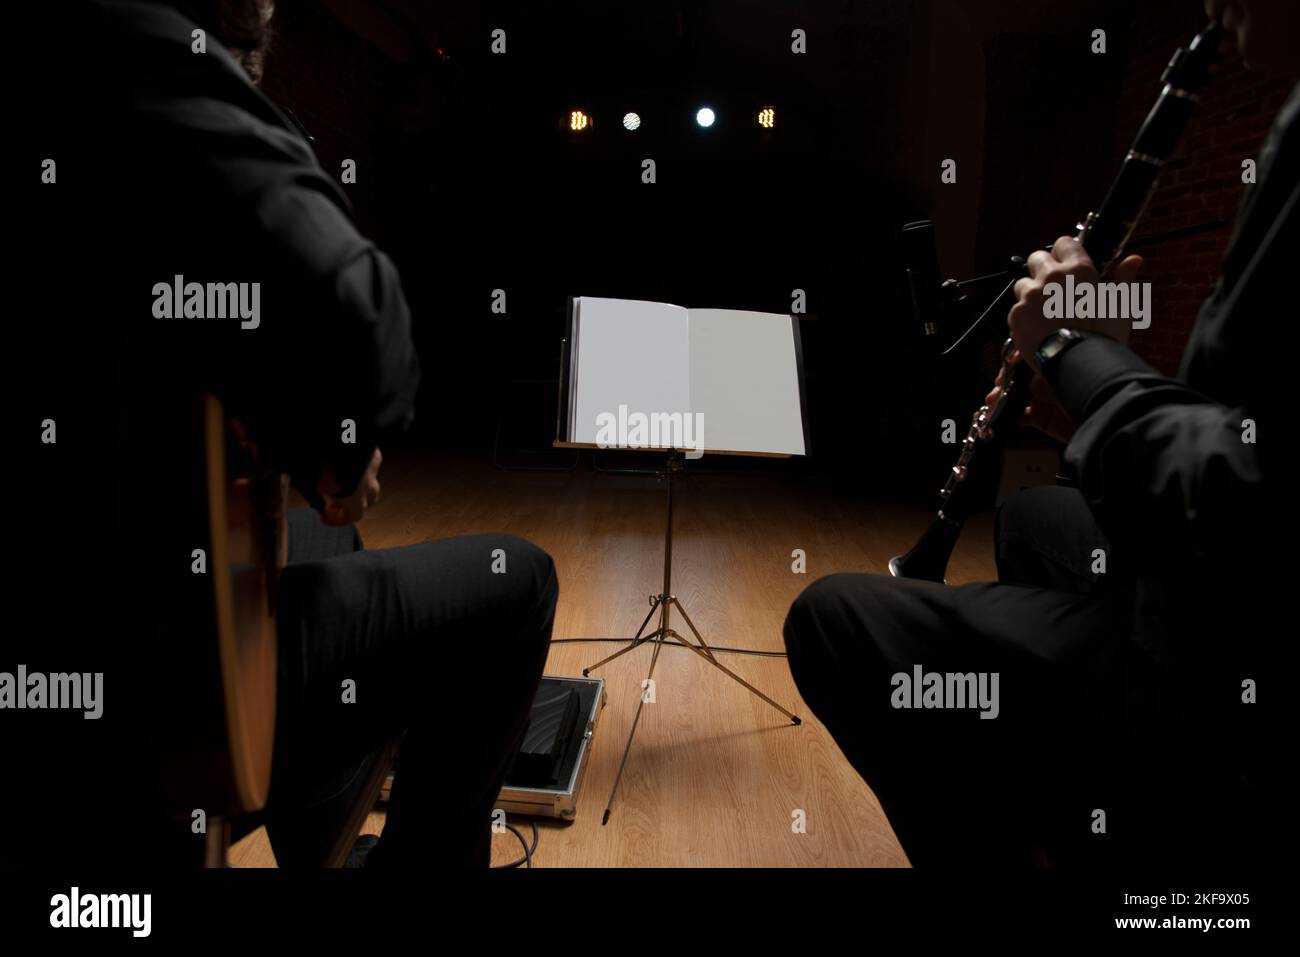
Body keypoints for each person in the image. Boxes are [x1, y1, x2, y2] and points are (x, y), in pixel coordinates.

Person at [17, 0, 558, 868]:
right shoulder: (141, 55)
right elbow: (353, 311)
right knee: (518, 581)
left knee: (312, 533)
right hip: (153, 682)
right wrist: (337, 453)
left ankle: (325, 836)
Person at [784, 0, 1295, 866]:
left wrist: (1073, 350)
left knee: (833, 617)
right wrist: (1109, 357)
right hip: (1224, 571)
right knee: (1027, 520)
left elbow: (1243, 492)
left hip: (1231, 654)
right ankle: (1071, 785)